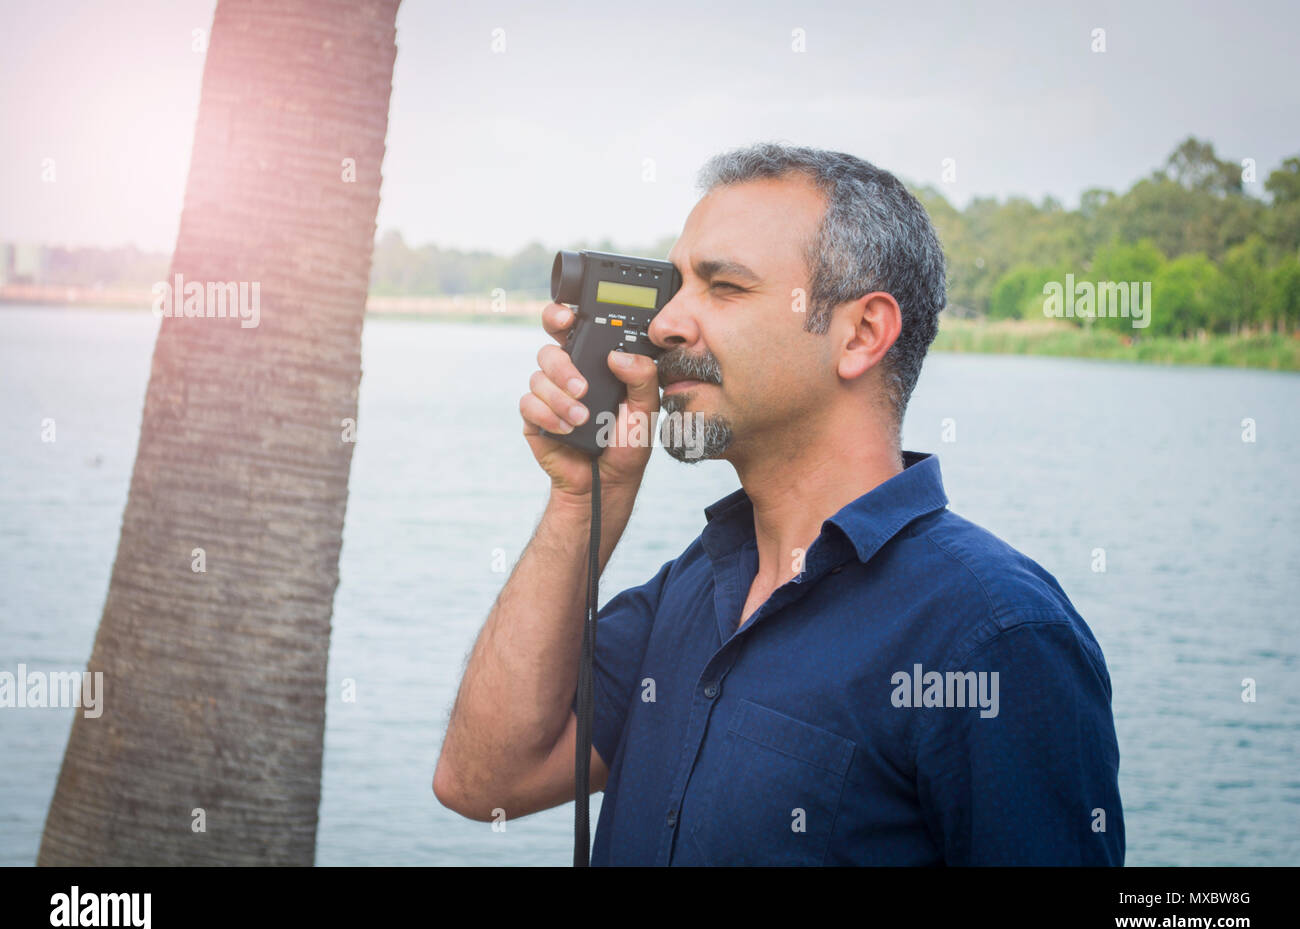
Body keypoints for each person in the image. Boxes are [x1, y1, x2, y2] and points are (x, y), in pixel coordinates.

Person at [433, 142, 1125, 866]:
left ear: (860, 334)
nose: (666, 323)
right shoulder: (690, 589)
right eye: (674, 286)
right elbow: (483, 781)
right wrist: (584, 498)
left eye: (723, 287)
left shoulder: (995, 637)